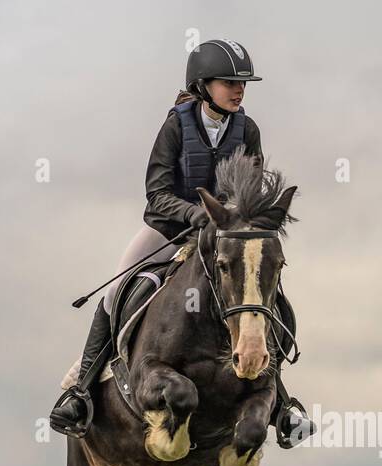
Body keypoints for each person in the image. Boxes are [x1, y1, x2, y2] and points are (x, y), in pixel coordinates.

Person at [50, 38, 304, 442]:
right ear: (204, 85)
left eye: (243, 84)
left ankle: (282, 401)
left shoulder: (247, 129)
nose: (239, 90)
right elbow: (157, 191)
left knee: (263, 291)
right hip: (168, 229)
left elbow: (250, 193)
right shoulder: (176, 125)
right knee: (116, 291)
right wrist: (195, 214)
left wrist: (232, 221)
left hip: (222, 236)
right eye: (229, 82)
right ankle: (81, 390)